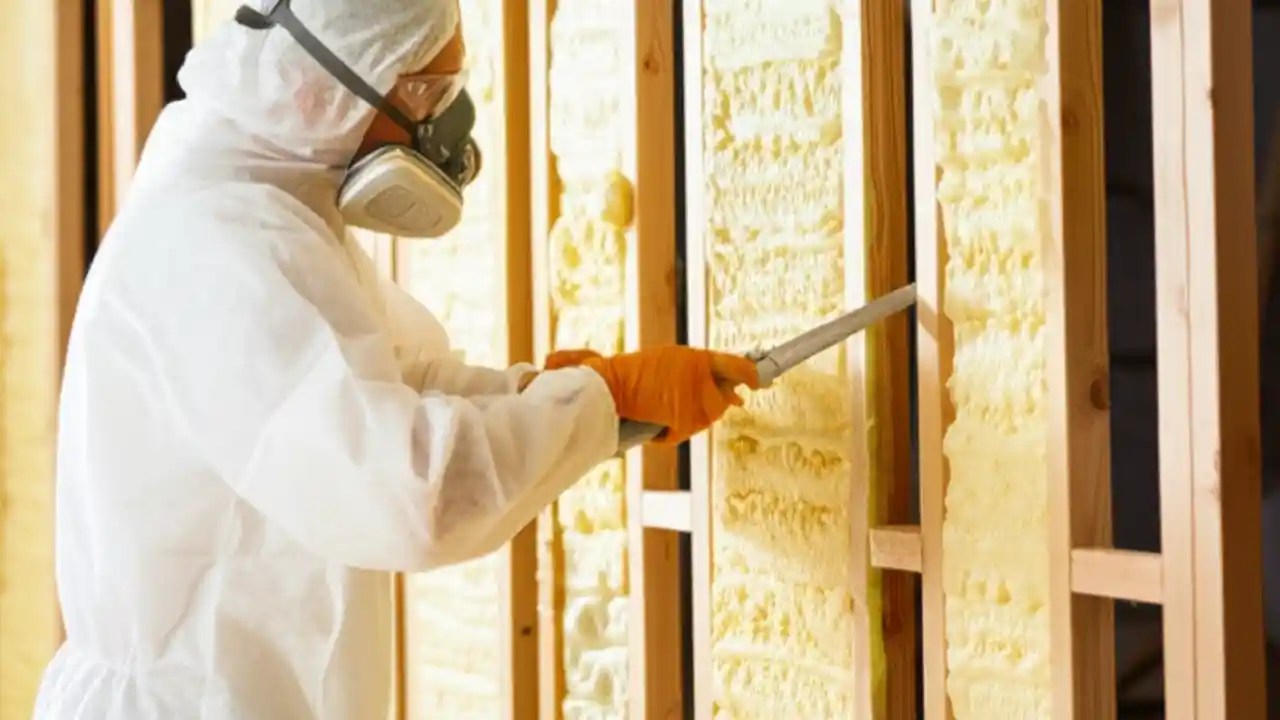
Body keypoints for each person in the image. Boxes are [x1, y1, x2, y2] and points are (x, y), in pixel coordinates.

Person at [32, 1, 757, 717]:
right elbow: (414, 492)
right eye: (426, 93)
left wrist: (577, 397)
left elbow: (403, 382)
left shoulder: (272, 211)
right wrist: (593, 404)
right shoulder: (218, 244)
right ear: (320, 89)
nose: (446, 127)